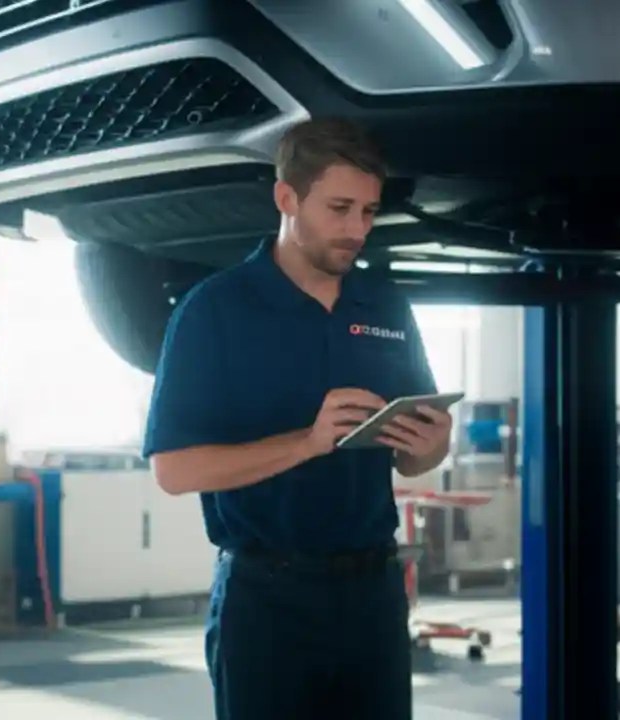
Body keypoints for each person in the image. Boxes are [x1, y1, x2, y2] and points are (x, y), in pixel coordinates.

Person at [141, 117, 453, 719]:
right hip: (267, 600)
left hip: (374, 593)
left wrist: (432, 444)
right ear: (286, 198)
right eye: (339, 209)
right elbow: (174, 471)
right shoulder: (217, 311)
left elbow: (415, 459)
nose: (356, 230)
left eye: (368, 211)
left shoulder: (384, 303)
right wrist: (308, 442)